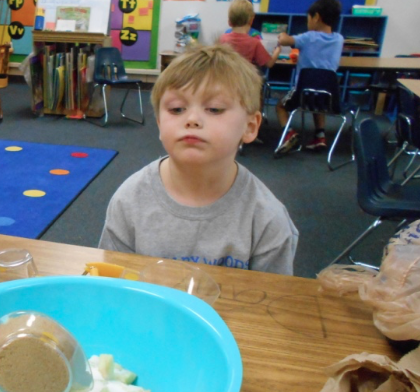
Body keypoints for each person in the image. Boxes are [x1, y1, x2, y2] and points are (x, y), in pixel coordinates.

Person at [98, 44, 298, 275]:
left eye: (214, 109)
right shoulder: (129, 200)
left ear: (250, 127)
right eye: (176, 109)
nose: (192, 119)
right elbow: (112, 284)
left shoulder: (267, 218)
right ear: (160, 125)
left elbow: (272, 295)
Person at [275, 0, 344, 153]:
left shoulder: (308, 37)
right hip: (329, 95)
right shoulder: (339, 40)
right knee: (318, 103)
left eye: (308, 19)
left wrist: (282, 35)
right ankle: (320, 136)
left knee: (280, 106)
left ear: (316, 17)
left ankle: (289, 133)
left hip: (302, 92)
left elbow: (286, 40)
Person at [219, 0, 281, 69]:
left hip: (225, 75)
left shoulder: (222, 39)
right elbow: (269, 63)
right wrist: (277, 51)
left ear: (229, 22)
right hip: (245, 76)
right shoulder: (255, 43)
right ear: (251, 20)